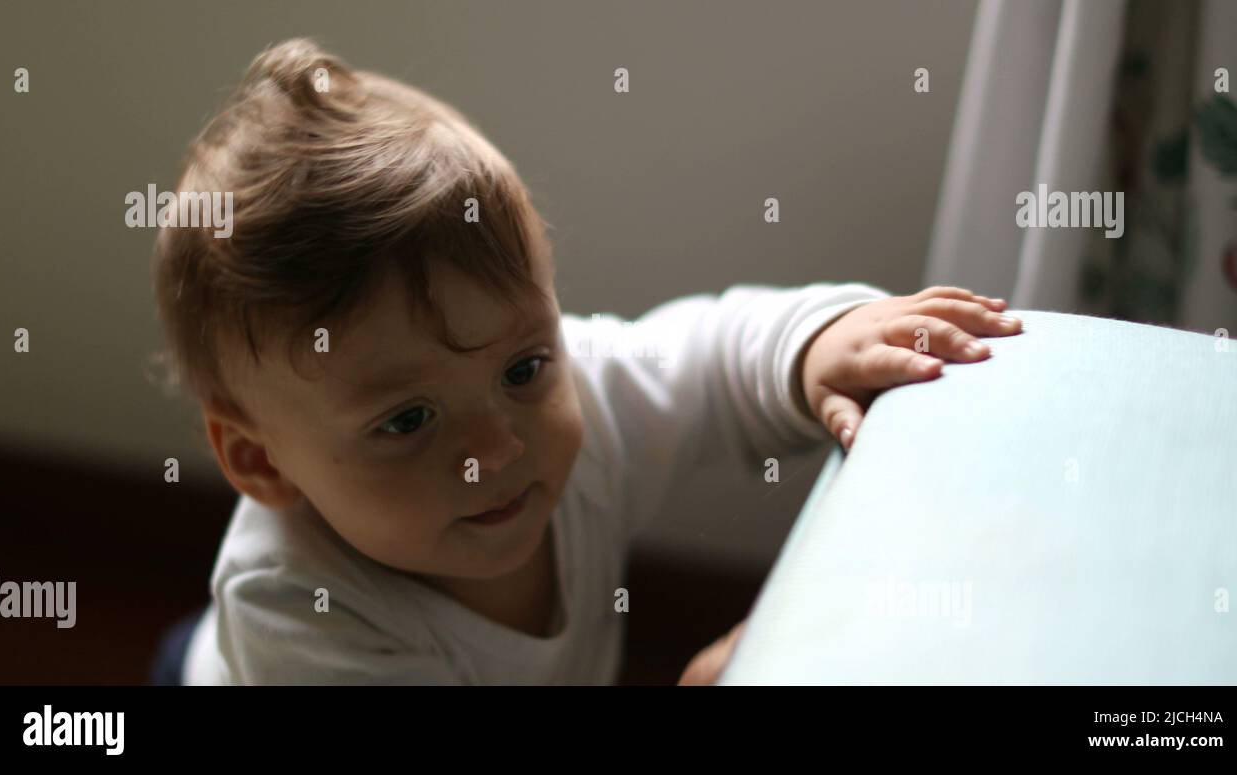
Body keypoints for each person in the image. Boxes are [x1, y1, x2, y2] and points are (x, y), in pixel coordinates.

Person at [150, 38, 1022, 685]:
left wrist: (816, 345)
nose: (496, 449)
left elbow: (712, 355)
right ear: (261, 461)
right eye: (407, 421)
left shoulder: (572, 400)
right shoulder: (296, 612)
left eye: (523, 369)